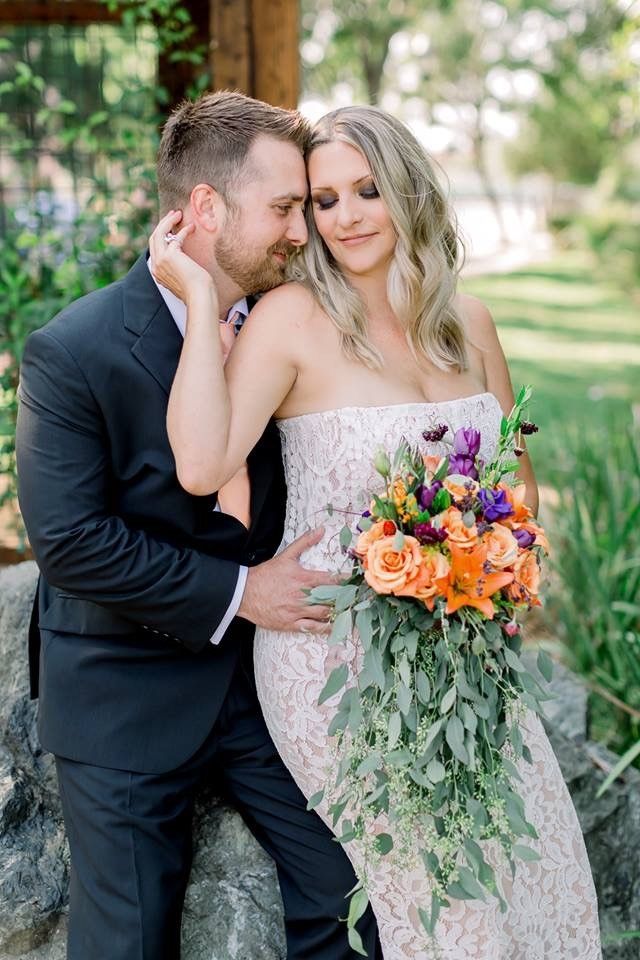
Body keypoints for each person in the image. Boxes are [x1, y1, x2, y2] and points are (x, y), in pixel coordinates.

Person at [149, 104, 603, 959]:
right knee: (448, 910)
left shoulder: (467, 323)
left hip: (468, 652)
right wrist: (202, 293)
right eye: (323, 201)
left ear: (408, 192)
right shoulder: (290, 320)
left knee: (540, 877)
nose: (346, 216)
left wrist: (473, 554)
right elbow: (203, 465)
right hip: (339, 661)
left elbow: (520, 493)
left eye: (367, 190)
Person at [15, 91, 383, 960]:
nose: (305, 232)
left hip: (271, 689)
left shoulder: (296, 326)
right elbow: (70, 543)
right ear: (208, 208)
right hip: (123, 692)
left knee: (355, 909)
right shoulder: (74, 351)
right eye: (287, 208)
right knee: (129, 942)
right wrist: (242, 591)